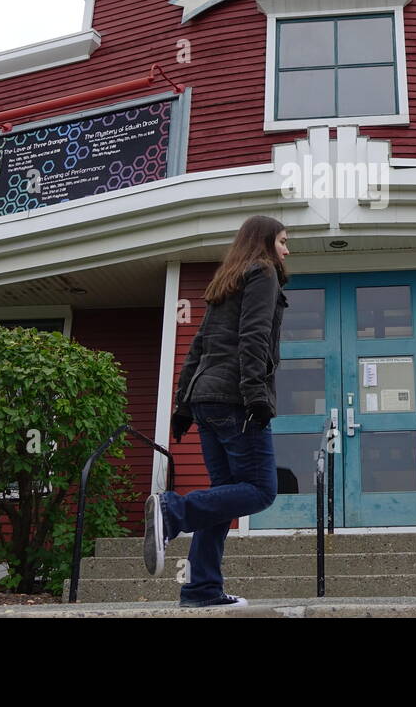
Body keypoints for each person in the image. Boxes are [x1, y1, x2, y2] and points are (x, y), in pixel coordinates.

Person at [143, 214, 289, 607]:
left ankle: (201, 589)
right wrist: (256, 395)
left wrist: (183, 406)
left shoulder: (227, 279)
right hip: (234, 399)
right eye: (282, 242)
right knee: (260, 491)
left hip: (207, 399)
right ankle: (173, 511)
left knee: (224, 497)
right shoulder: (262, 272)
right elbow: (254, 335)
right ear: (264, 243)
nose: (286, 251)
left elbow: (198, 345)